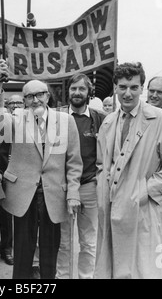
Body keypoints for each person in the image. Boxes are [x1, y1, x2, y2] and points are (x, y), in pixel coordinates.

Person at [0, 59, 83, 279]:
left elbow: (74, 161)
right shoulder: (16, 119)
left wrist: (73, 193)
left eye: (39, 94)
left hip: (53, 193)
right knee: (23, 250)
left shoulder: (66, 120)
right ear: (24, 101)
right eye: (29, 96)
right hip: (23, 194)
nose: (35, 100)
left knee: (51, 250)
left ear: (47, 96)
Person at [94, 62, 162, 279]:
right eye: (123, 87)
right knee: (113, 265)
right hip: (111, 205)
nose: (128, 93)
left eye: (134, 87)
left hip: (144, 208)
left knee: (145, 267)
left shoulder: (160, 119)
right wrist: (102, 190)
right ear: (115, 87)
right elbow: (101, 163)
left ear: (141, 88)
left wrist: (147, 190)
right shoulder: (108, 122)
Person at [56, 73, 106, 279]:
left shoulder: (100, 119)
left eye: (81, 89)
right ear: (68, 91)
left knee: (89, 241)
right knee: (63, 241)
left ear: (89, 93)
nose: (77, 93)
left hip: (89, 187)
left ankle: (86, 277)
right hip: (61, 187)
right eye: (73, 89)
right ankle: (62, 277)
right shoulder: (56, 117)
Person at [0, 94, 24, 266]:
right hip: (4, 174)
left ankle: (8, 244)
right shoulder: (1, 125)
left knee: (20, 214)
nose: (16, 106)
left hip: (24, 177)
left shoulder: (29, 125)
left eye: (19, 103)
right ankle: (7, 247)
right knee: (5, 215)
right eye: (12, 103)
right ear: (7, 106)